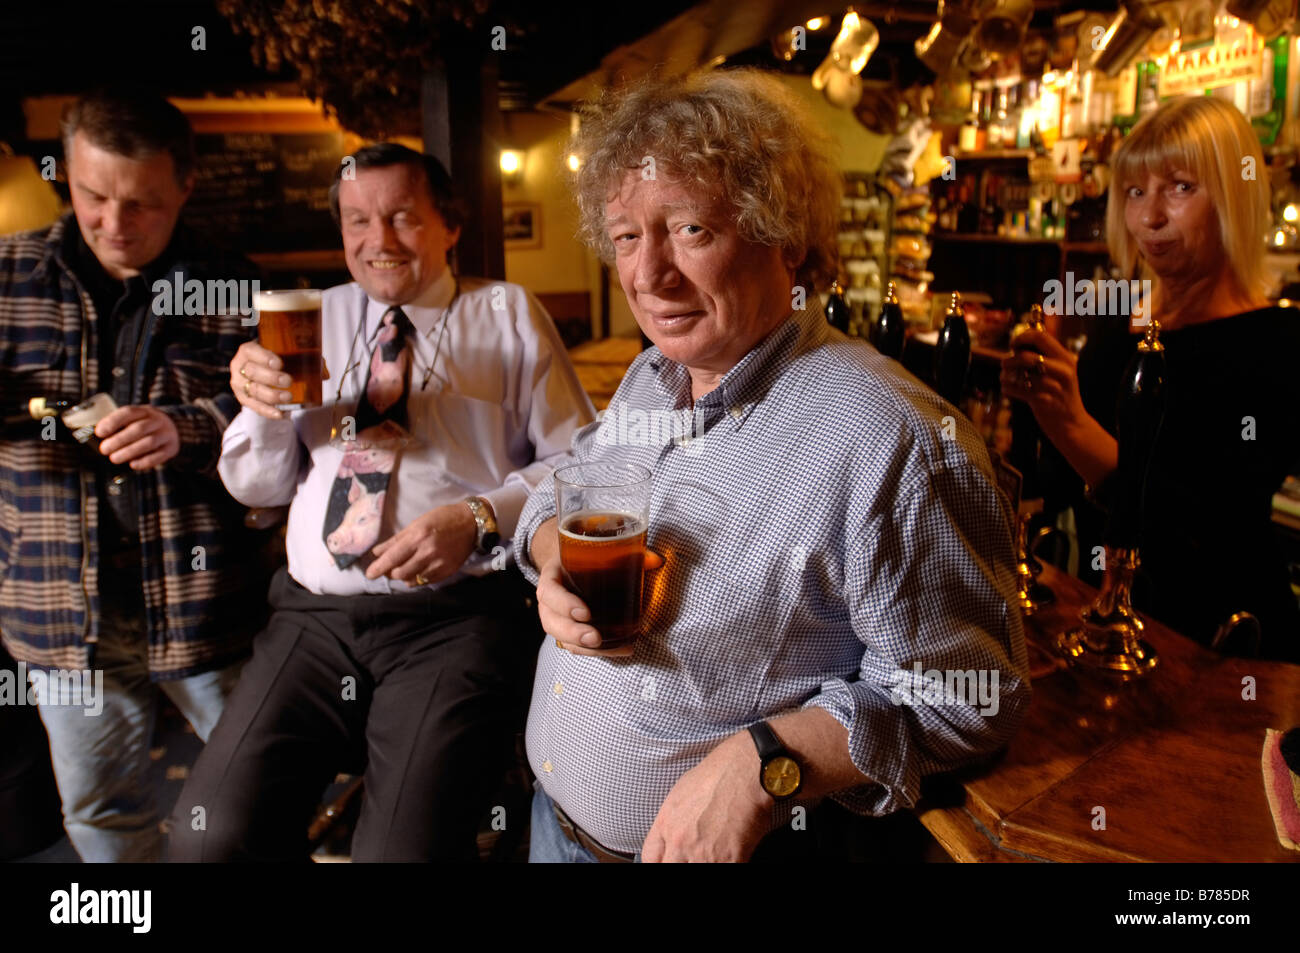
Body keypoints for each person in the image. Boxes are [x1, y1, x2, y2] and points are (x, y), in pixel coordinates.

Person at [515, 70, 1030, 863]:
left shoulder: (890, 437)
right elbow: (566, 491)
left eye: (690, 230)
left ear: (784, 234)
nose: (648, 276)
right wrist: (553, 555)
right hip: (550, 825)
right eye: (626, 236)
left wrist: (765, 763)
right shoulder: (651, 376)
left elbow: (971, 696)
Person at [169, 143, 595, 861]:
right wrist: (262, 410)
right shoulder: (309, 315)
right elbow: (260, 488)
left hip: (451, 618)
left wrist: (478, 516)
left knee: (403, 852)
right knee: (208, 837)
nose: (378, 241)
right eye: (357, 220)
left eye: (402, 217)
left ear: (449, 226)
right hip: (311, 619)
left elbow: (579, 465)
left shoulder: (507, 311)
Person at [0, 87, 265, 861]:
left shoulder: (232, 283)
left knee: (255, 794)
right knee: (102, 811)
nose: (116, 224)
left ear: (185, 185)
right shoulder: (8, 277)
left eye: (143, 204)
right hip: (60, 607)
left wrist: (187, 427)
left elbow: (280, 431)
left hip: (205, 603)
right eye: (93, 197)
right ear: (67, 178)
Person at [1002, 96, 1300, 662]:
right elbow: (1059, 486)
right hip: (1099, 634)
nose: (1150, 216)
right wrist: (1028, 416)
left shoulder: (1277, 342)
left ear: (1235, 197)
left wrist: (1074, 427)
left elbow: (1206, 522)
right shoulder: (1121, 330)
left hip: (1221, 645)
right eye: (1136, 192)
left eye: (1180, 187)